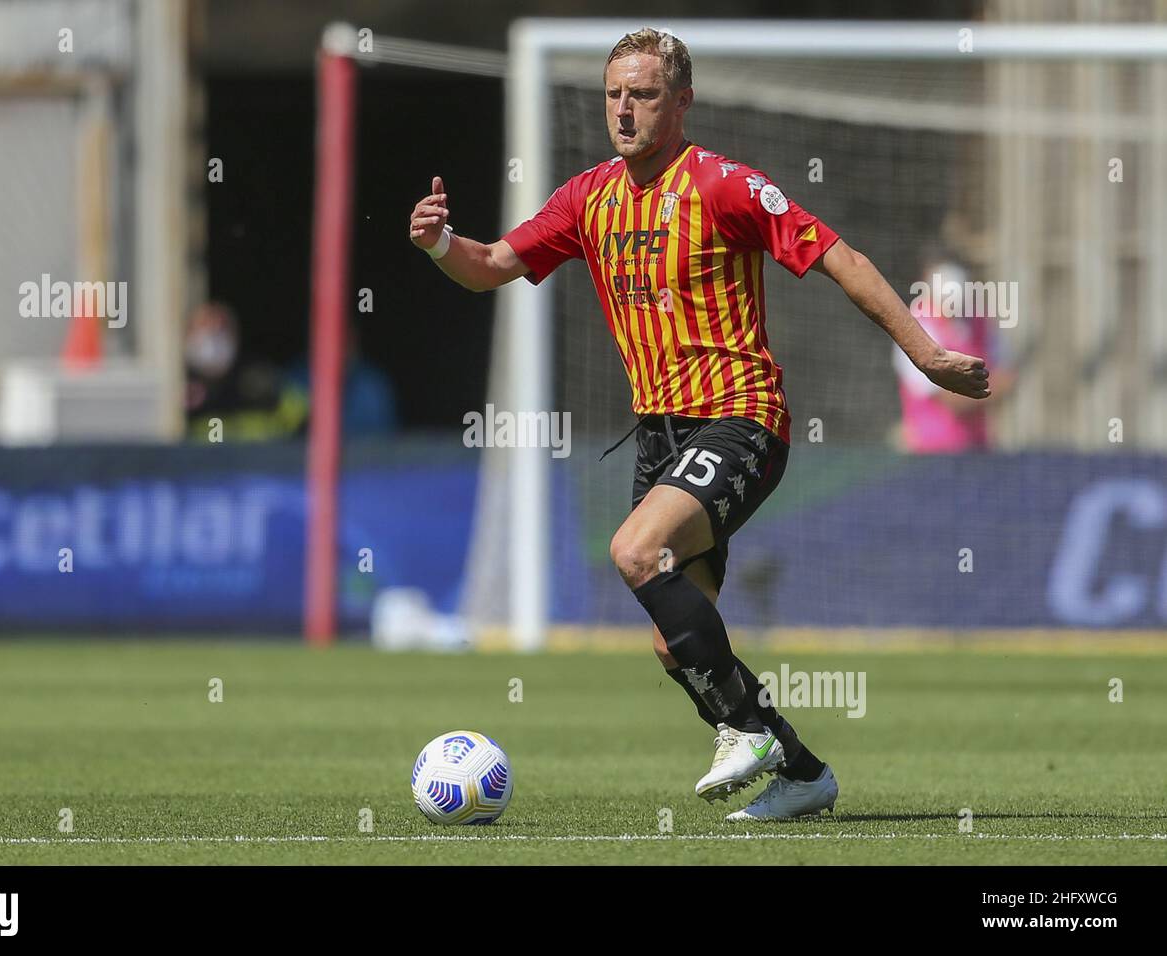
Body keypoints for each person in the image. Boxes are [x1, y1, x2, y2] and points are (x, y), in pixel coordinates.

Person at [408, 28, 990, 821]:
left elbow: (838, 257)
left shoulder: (725, 187)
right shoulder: (587, 198)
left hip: (742, 417)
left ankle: (745, 730)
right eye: (614, 93)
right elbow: (488, 268)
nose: (624, 110)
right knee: (671, 639)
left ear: (680, 103)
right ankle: (803, 771)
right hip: (660, 436)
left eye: (643, 95)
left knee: (634, 552)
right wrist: (440, 241)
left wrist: (926, 353)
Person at [893, 249, 1011, 452]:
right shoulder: (913, 329)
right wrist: (993, 389)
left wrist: (993, 388)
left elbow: (1008, 377)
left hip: (978, 449)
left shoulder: (980, 323)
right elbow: (953, 402)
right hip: (929, 452)